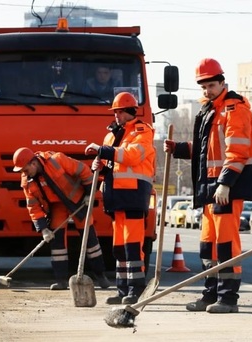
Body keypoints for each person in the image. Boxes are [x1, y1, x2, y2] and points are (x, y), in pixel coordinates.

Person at [164, 58, 252, 314]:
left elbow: (237, 152)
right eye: (203, 86)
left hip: (226, 188)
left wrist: (225, 184)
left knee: (227, 244)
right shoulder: (209, 111)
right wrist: (180, 149)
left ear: (222, 82)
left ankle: (228, 299)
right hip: (210, 187)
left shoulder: (234, 110)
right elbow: (207, 151)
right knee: (209, 244)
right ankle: (210, 294)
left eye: (211, 85)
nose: (207, 90)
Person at [85, 91, 155, 305]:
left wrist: (103, 151)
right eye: (115, 112)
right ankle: (123, 290)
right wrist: (99, 166)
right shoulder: (111, 135)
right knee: (119, 246)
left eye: (120, 112)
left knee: (133, 245)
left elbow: (132, 156)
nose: (116, 116)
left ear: (130, 111)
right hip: (116, 196)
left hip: (133, 194)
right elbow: (112, 164)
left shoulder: (142, 131)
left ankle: (137, 289)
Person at [12, 147, 111, 290]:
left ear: (33, 163)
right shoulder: (27, 181)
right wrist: (43, 229)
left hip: (78, 201)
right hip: (56, 207)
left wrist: (89, 193)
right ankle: (61, 280)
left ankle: (101, 277)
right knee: (57, 243)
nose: (24, 173)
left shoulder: (57, 160)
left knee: (90, 240)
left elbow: (85, 171)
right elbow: (33, 206)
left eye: (25, 170)